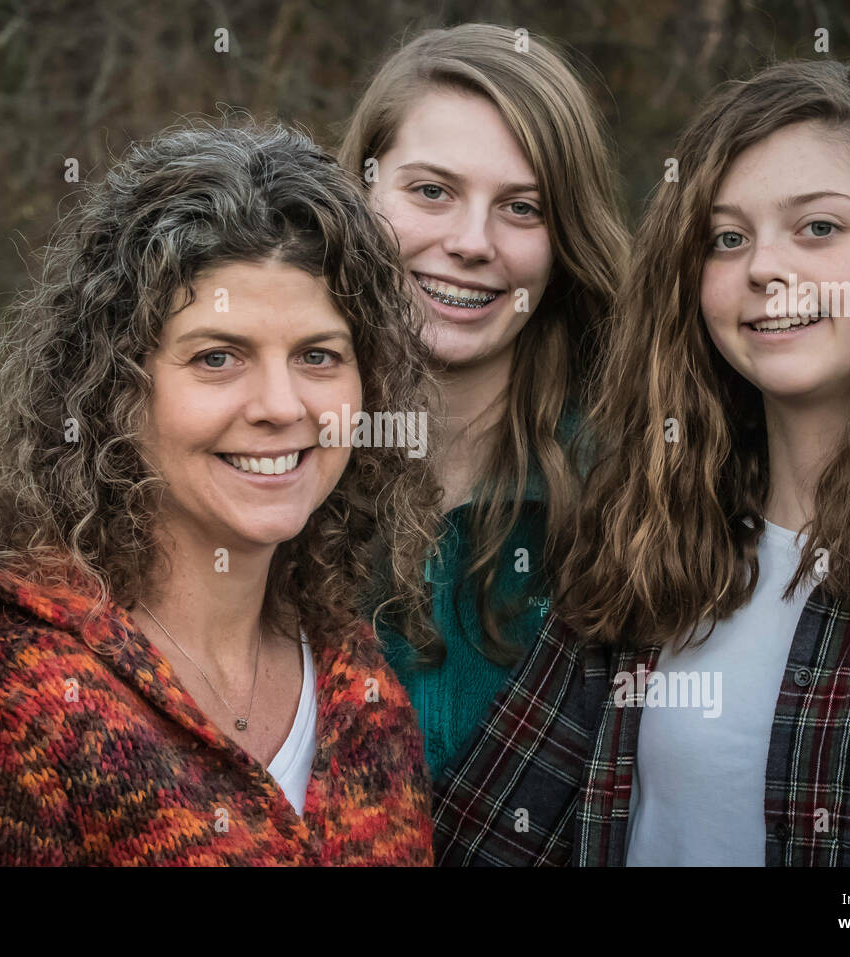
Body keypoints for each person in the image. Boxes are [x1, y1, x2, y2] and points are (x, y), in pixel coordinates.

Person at [433, 58, 850, 866]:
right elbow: (480, 842)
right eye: (727, 237)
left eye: (818, 227)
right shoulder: (640, 541)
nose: (764, 268)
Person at [0, 121, 441, 865]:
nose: (280, 404)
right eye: (217, 356)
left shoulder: (354, 676)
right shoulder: (25, 700)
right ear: (116, 392)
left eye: (318, 355)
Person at [337, 22, 627, 783]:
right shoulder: (268, 468)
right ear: (358, 195)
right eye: (431, 191)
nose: (471, 241)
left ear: (566, 241)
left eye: (523, 208)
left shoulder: (638, 492)